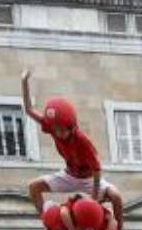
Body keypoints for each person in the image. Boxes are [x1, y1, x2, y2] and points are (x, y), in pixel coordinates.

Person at [21, 72, 106, 212]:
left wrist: (94, 198)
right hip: (69, 176)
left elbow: (97, 170)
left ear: (71, 127)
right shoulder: (53, 129)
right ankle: (48, 221)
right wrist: (24, 82)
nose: (58, 134)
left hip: (88, 180)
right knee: (33, 187)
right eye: (55, 130)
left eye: (62, 130)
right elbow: (29, 110)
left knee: (115, 197)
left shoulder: (82, 140)